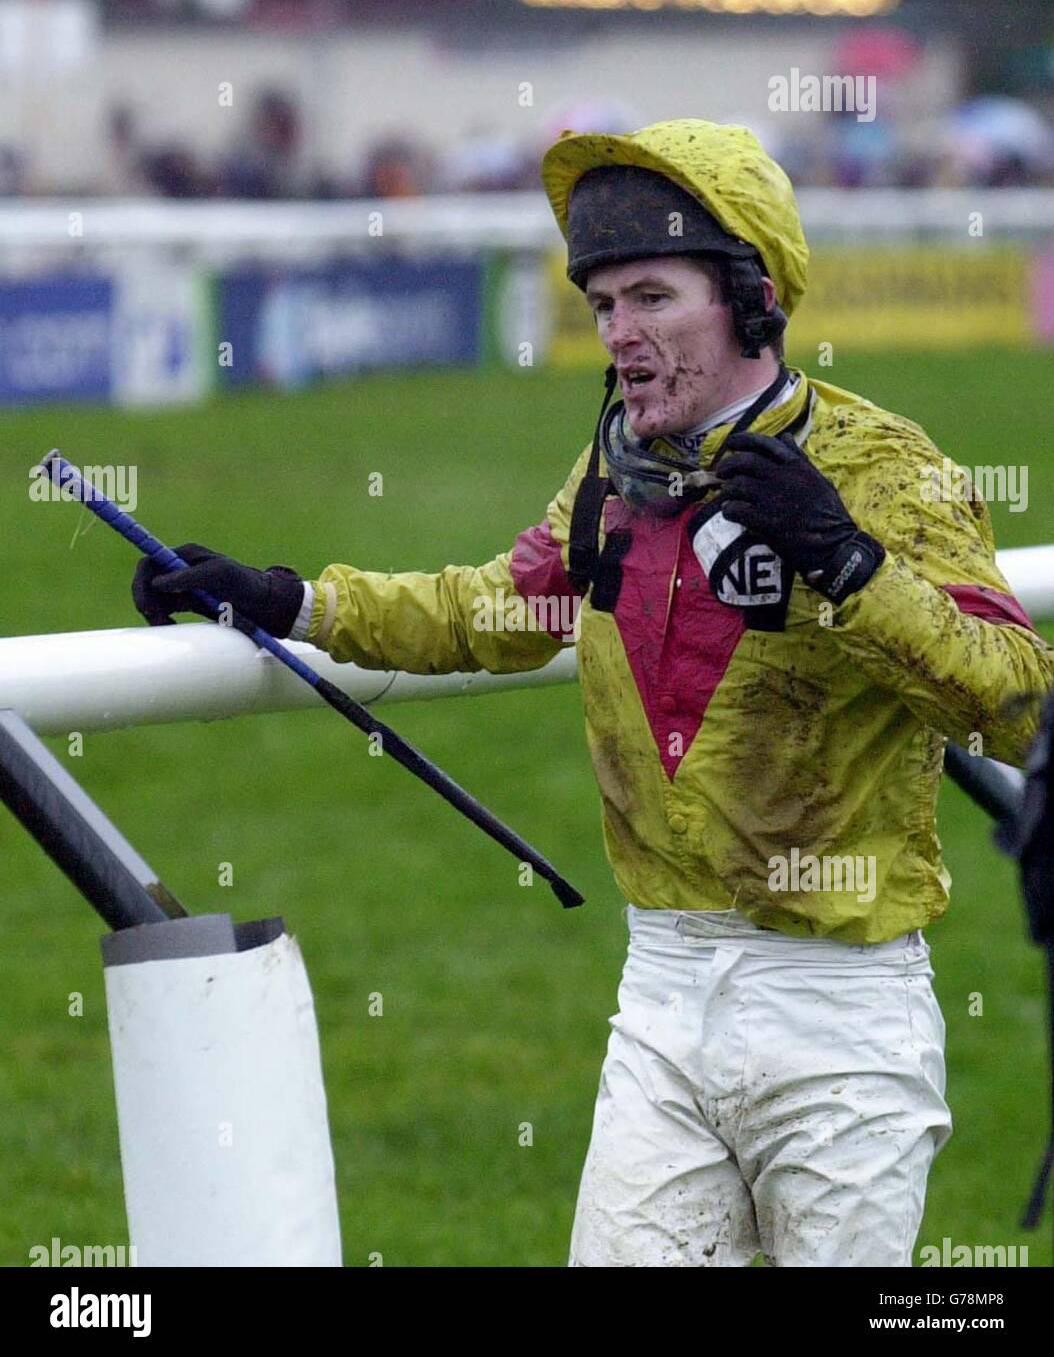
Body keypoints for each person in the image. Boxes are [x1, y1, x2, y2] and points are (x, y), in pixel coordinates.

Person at [130, 119, 1054, 1267]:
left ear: (753, 301)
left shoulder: (889, 469)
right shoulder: (614, 471)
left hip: (843, 1008)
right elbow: (489, 611)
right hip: (659, 1000)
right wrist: (287, 597)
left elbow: (1018, 704)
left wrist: (848, 566)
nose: (620, 334)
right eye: (604, 303)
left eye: (653, 297)